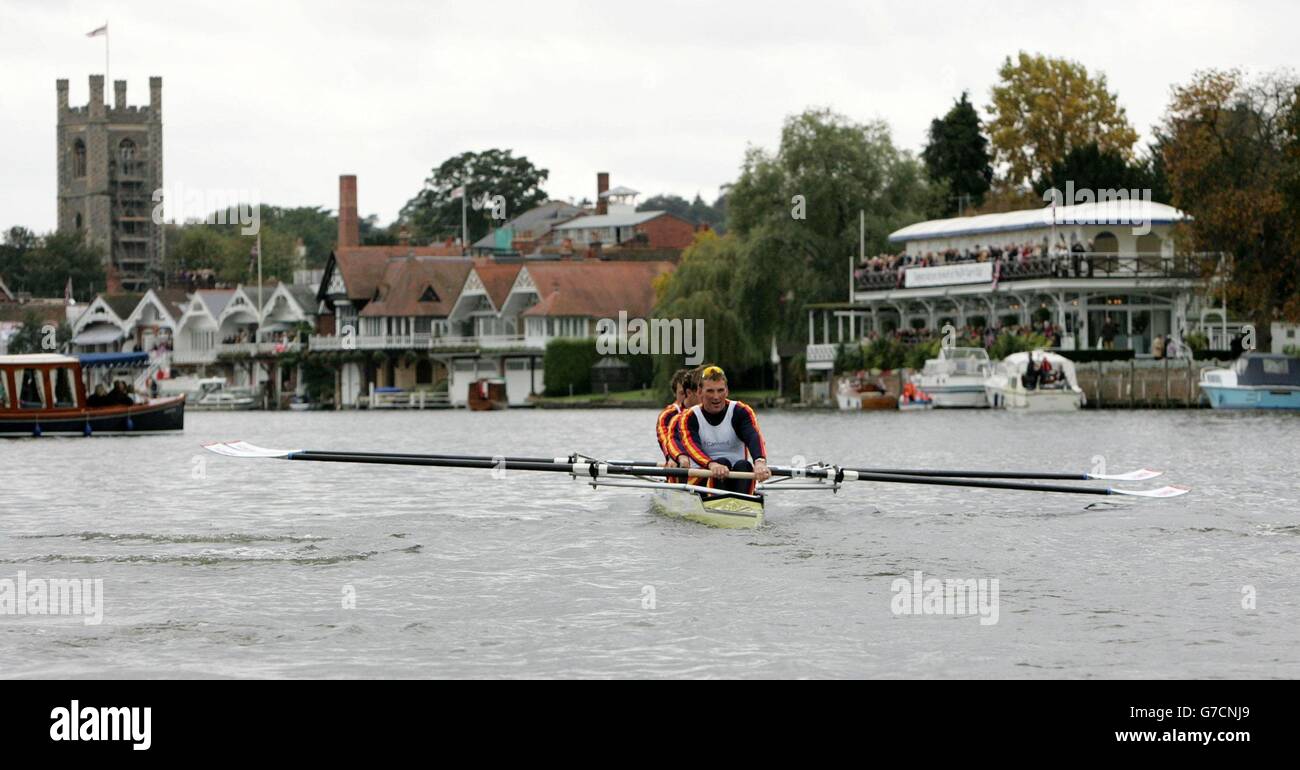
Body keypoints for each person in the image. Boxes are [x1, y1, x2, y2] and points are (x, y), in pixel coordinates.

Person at [673, 365, 771, 495]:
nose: (716, 397)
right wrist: (712, 464)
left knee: (745, 465)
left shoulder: (741, 411)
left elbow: (753, 436)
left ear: (727, 391)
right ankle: (724, 505)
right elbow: (692, 447)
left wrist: (760, 462)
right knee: (722, 462)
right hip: (702, 478)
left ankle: (743, 504)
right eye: (710, 391)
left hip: (738, 475)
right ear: (699, 391)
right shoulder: (689, 417)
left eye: (720, 390)